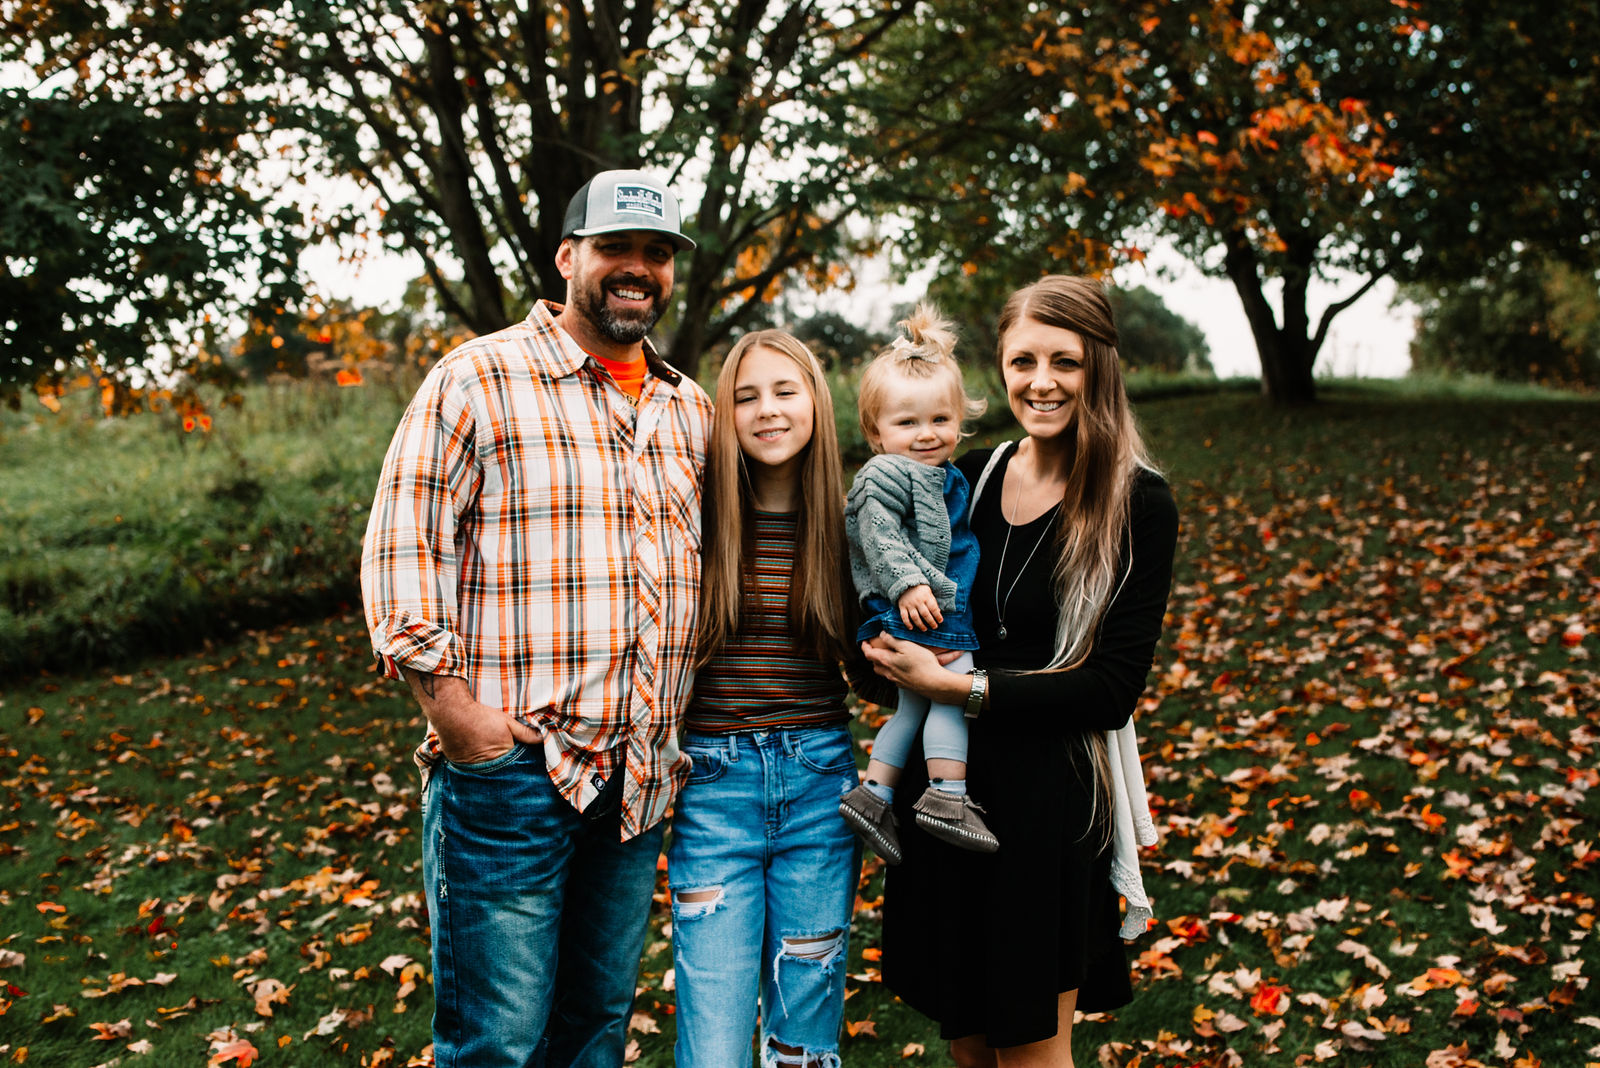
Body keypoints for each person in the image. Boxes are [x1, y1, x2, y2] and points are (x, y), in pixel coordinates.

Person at [359, 169, 713, 1068]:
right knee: (499, 1043)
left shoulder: (690, 408)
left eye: (656, 253)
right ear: (566, 258)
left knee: (594, 1029)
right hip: (514, 775)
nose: (637, 269)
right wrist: (456, 714)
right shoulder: (477, 378)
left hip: (638, 781)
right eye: (615, 248)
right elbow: (402, 547)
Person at [861, 276, 1178, 1068]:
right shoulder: (973, 475)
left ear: (1099, 365)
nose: (1042, 382)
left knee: (1033, 1054)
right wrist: (883, 647)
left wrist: (958, 688)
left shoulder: (1137, 502)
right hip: (947, 796)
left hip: (1047, 806)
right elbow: (900, 593)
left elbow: (1112, 689)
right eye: (1022, 361)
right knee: (970, 1049)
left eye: (1064, 361)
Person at [667, 330, 868, 1068]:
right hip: (714, 790)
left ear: (815, 401)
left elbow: (873, 671)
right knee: (714, 1045)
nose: (768, 410)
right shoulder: (695, 521)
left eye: (786, 391)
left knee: (802, 1044)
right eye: (746, 397)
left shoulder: (851, 526)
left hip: (818, 788)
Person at [837, 306, 997, 862]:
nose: (926, 434)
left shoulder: (945, 474)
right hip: (918, 611)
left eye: (940, 419)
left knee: (913, 708)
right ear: (875, 433)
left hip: (926, 610)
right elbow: (877, 535)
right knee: (953, 694)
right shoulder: (883, 474)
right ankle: (948, 795)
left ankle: (875, 794)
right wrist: (907, 585)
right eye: (907, 423)